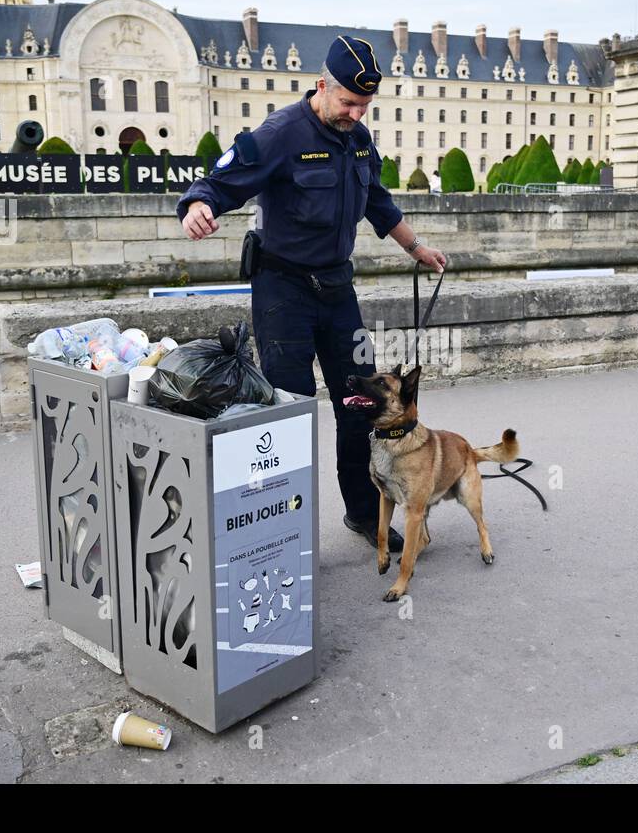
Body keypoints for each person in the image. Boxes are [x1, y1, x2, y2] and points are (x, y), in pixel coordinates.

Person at [177, 35, 447, 553]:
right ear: (322, 86)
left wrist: (416, 247)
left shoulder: (358, 137)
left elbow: (378, 202)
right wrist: (196, 205)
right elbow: (224, 178)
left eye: (363, 105)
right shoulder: (280, 133)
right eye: (347, 101)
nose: (354, 112)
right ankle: (284, 530)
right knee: (289, 410)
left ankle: (365, 513)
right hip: (283, 291)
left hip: (336, 288)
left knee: (359, 402)